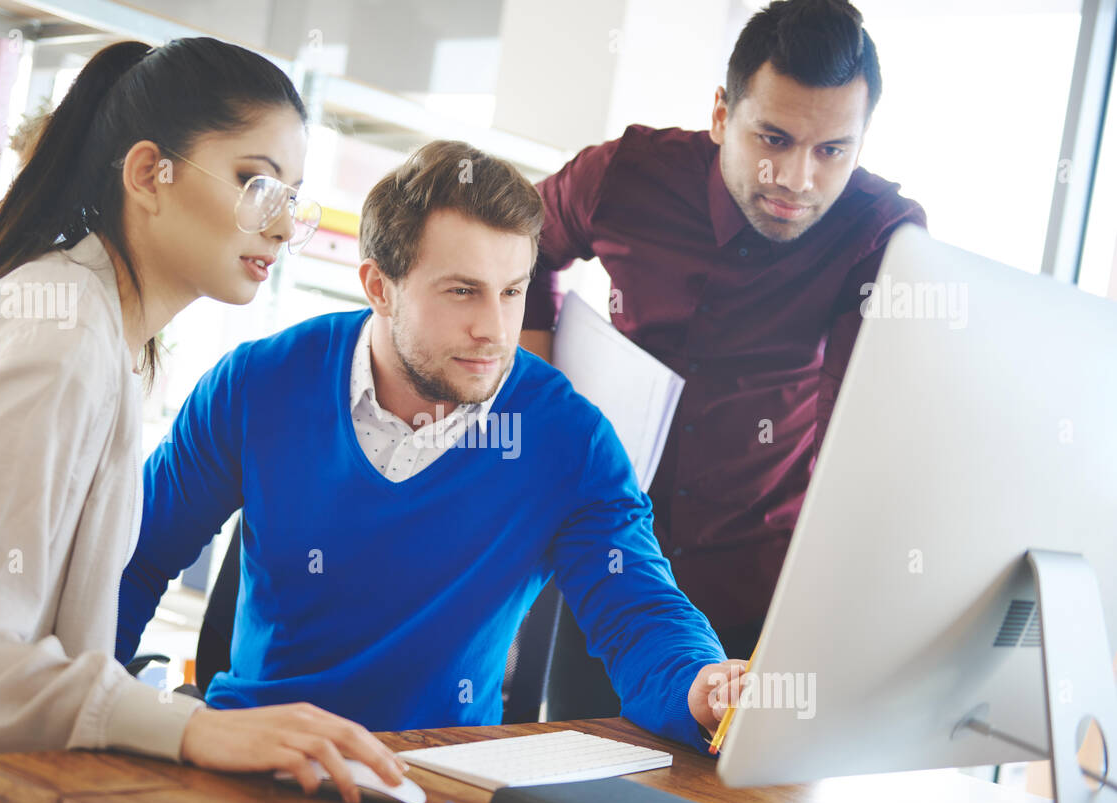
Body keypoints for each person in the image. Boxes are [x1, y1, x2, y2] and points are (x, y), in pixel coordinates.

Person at [0, 37, 405, 803]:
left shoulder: (87, 319)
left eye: (293, 198)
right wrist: (194, 727)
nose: (281, 223)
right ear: (147, 174)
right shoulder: (58, 339)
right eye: (254, 181)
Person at [117, 140, 748, 757]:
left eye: (511, 291)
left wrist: (701, 685)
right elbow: (134, 557)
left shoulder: (568, 442)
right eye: (461, 291)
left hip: (438, 779)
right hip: (253, 753)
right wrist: (82, 718)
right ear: (380, 287)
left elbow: (639, 609)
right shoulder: (258, 383)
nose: (495, 331)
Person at [518, 0, 927, 659]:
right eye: (773, 139)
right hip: (608, 561)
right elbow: (522, 237)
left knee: (729, 768)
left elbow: (857, 429)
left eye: (832, 151)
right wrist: (538, 377)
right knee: (582, 752)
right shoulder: (626, 174)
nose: (798, 179)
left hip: (756, 593)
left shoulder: (879, 232)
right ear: (720, 114)